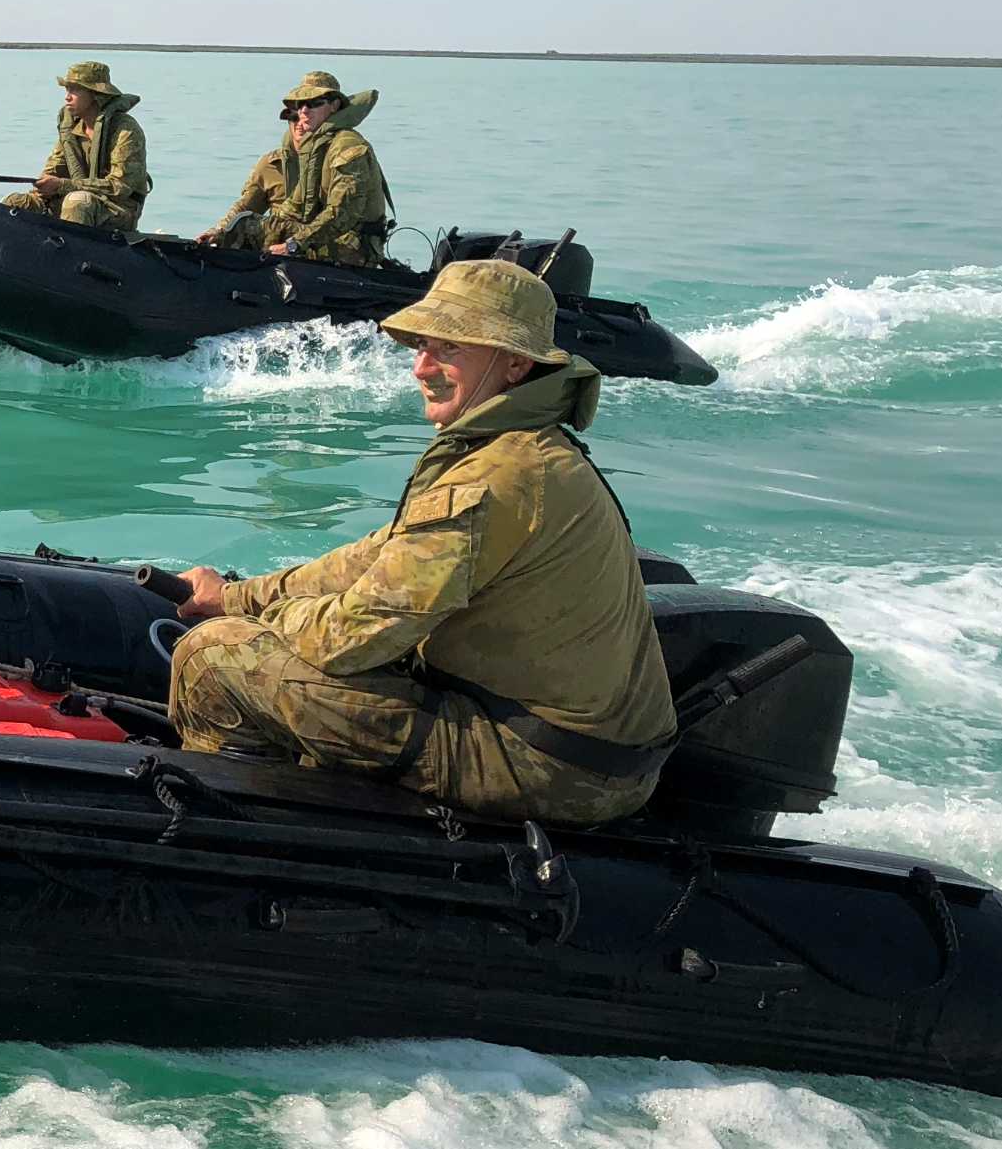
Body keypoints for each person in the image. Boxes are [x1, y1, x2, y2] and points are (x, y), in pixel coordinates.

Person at [161, 258, 676, 825]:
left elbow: (347, 639)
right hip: (576, 749)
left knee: (212, 656)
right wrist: (237, 596)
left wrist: (252, 622)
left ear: (514, 364)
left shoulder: (495, 478)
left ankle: (244, 839)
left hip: (548, 768)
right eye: (423, 346)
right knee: (243, 629)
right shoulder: (524, 447)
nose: (421, 368)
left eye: (449, 349)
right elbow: (372, 558)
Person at [202, 70, 401, 272]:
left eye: (314, 103)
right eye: (300, 105)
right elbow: (291, 209)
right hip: (328, 238)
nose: (304, 111)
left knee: (249, 227)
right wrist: (218, 232)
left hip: (353, 246)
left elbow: (343, 213)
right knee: (246, 224)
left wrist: (293, 244)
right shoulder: (317, 147)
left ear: (334, 106)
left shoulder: (347, 147)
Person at [2, 61, 149, 234]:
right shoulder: (71, 128)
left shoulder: (125, 130)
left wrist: (61, 185)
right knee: (15, 202)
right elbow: (54, 171)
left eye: (75, 90)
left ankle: (70, 257)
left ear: (96, 94)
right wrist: (43, 188)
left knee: (78, 201)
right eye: (67, 90)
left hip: (116, 210)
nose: (67, 97)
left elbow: (119, 187)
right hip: (73, 199)